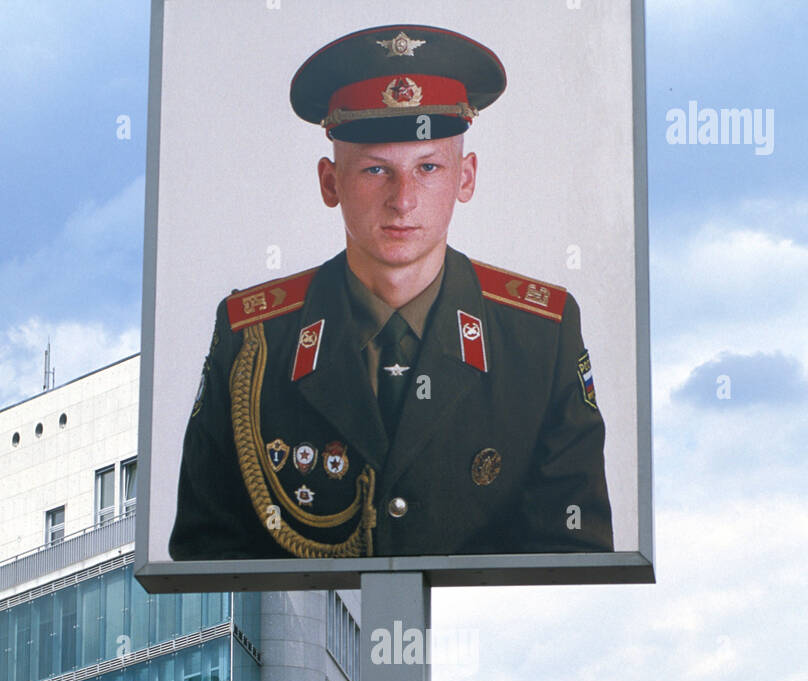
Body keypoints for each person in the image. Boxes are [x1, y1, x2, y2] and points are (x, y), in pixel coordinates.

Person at [170, 23, 612, 565]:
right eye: (376, 170)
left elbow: (576, 563)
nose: (403, 200)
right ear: (330, 183)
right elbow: (204, 558)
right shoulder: (253, 338)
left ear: (465, 178)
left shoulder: (540, 336)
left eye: (428, 168)